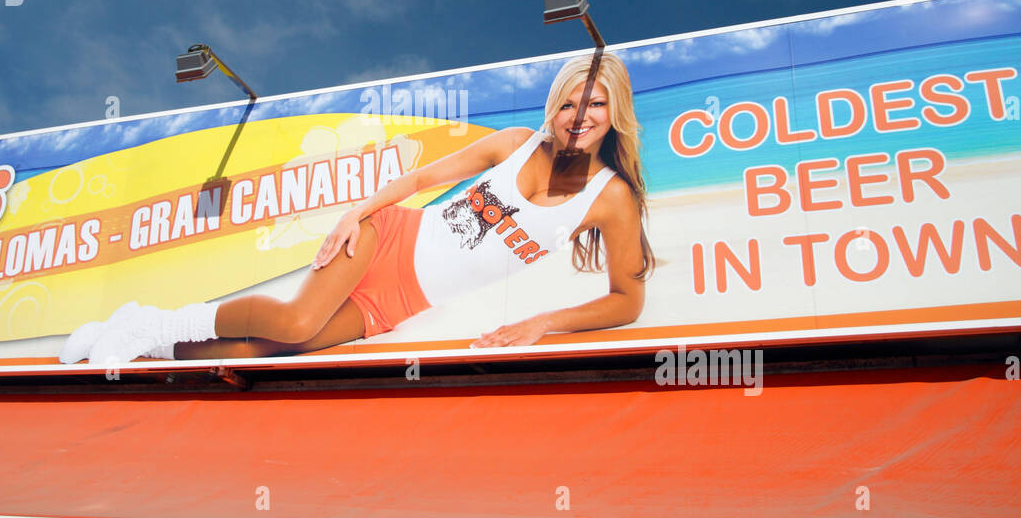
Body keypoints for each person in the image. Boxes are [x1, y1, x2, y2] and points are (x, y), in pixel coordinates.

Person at [59, 51, 654, 364]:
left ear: (615, 111)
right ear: (554, 107)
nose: (579, 117)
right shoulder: (516, 143)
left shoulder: (611, 199)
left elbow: (628, 302)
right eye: (569, 103)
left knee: (276, 347)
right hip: (387, 237)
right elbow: (422, 176)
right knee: (294, 321)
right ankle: (146, 322)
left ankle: (140, 339)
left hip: (401, 300)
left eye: (595, 104)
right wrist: (357, 213)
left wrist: (542, 322)